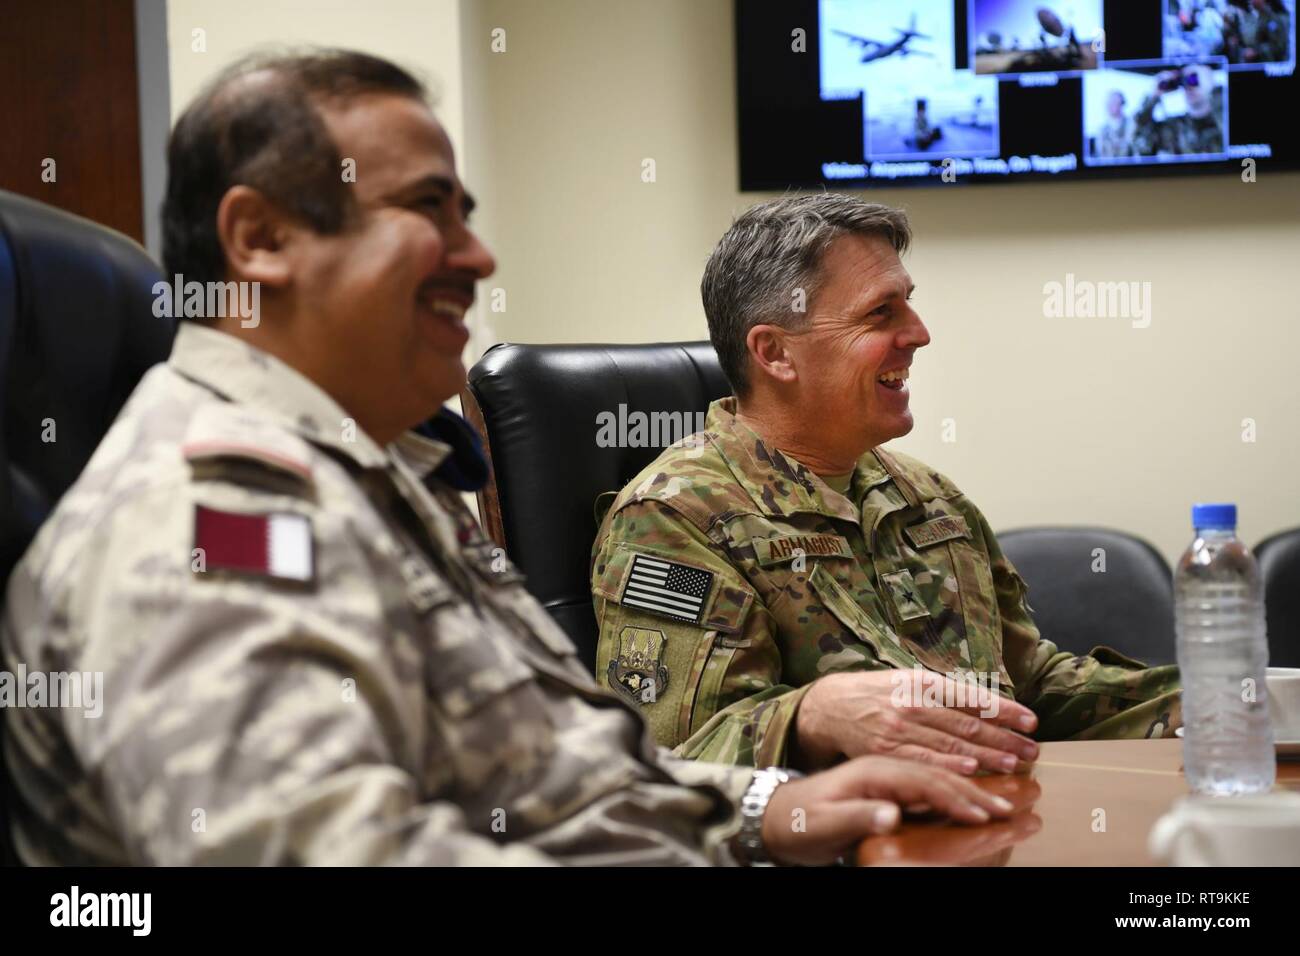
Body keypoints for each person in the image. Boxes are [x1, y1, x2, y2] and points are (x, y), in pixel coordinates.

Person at [0, 50, 1012, 867]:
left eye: (467, 213)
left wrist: (774, 805)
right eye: (429, 207)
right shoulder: (205, 521)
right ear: (259, 238)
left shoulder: (384, 477)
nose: (477, 255)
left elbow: (546, 770)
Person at [590, 194, 1182, 769]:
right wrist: (812, 716)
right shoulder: (673, 518)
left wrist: (1211, 702)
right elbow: (664, 761)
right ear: (775, 353)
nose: (919, 333)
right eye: (881, 312)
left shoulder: (930, 498)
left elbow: (1027, 685)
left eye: (910, 304)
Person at [1132, 64, 1224, 156]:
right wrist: (1154, 95)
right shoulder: (1174, 127)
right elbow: (1140, 141)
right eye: (1184, 81)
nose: (1188, 87)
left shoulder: (1223, 120)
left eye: (1194, 79)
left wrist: (1213, 90)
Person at [1097, 90, 1135, 158]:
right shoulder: (1103, 129)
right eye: (1111, 103)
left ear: (1122, 104)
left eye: (1116, 102)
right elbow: (1101, 152)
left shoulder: (1131, 124)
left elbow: (1130, 147)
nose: (1113, 106)